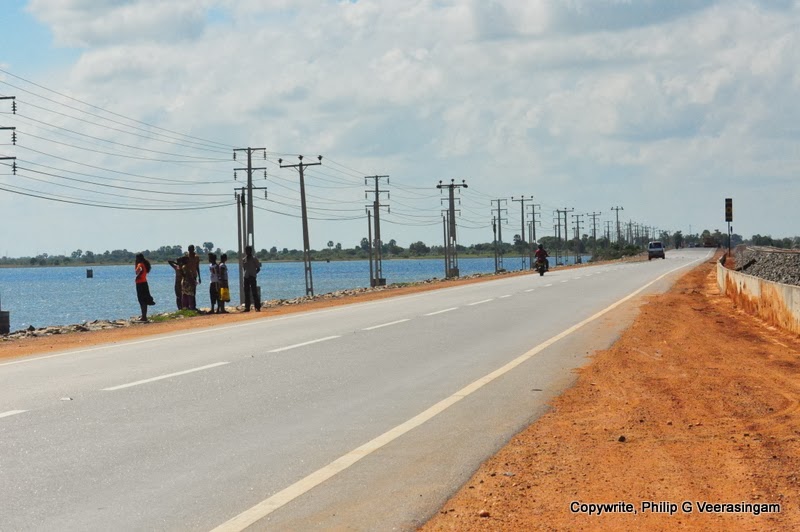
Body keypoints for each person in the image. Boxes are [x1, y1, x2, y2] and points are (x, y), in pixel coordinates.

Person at [135, 253, 156, 322]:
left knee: (141, 300)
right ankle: (144, 316)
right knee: (144, 300)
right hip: (144, 283)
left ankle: (144, 317)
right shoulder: (144, 264)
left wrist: (138, 275)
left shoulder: (140, 264)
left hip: (140, 284)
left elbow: (139, 270)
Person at [242, 245, 261, 312]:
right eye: (246, 250)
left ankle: (257, 307)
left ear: (250, 251)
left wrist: (254, 274)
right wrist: (246, 274)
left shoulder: (254, 259)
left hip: (252, 277)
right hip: (246, 277)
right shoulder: (244, 259)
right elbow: (244, 268)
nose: (247, 252)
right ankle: (247, 307)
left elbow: (258, 268)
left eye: (248, 250)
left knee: (254, 292)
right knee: (246, 293)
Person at [185, 245, 202, 310]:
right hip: (187, 276)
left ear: (193, 249)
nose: (190, 251)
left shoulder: (196, 257)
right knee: (187, 291)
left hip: (194, 275)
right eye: (189, 249)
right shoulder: (186, 256)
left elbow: (197, 267)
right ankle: (187, 306)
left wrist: (199, 277)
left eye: (191, 249)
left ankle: (193, 306)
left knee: (193, 291)